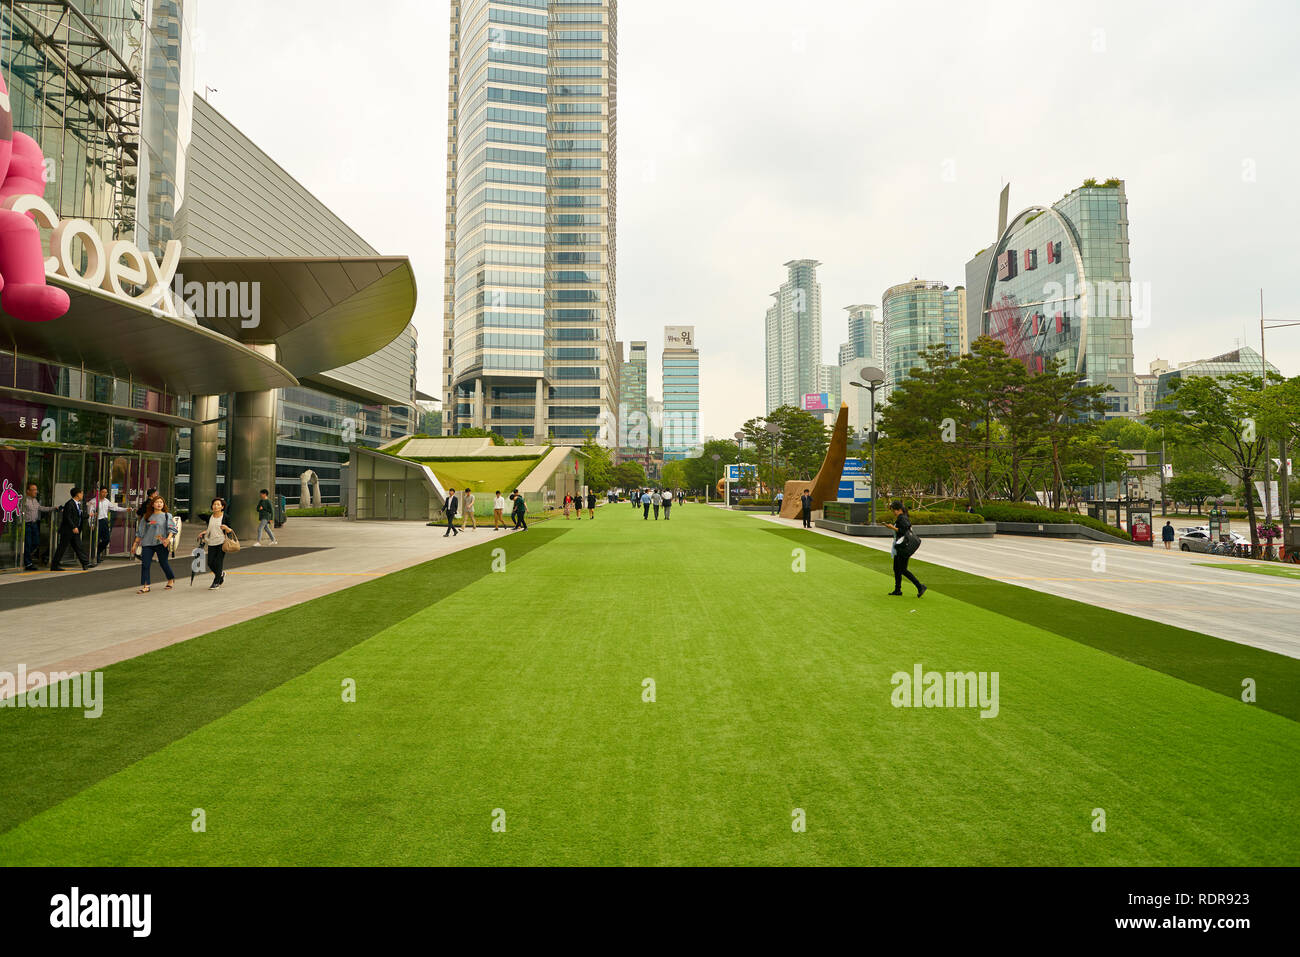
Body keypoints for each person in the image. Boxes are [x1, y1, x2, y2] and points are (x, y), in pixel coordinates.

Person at [132, 494, 177, 592]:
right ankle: (146, 586)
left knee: (163, 562)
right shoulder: (147, 517)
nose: (159, 504)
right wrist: (135, 544)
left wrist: (168, 539)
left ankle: (170, 579)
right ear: (152, 504)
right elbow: (141, 531)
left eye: (161, 502)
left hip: (161, 543)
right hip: (147, 544)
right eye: (157, 502)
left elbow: (172, 529)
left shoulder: (166, 515)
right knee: (145, 564)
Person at [884, 500, 927, 598]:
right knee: (896, 568)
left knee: (902, 569)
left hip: (903, 546)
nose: (893, 513)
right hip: (900, 546)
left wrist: (892, 527)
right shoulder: (902, 517)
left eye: (894, 510)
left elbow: (903, 530)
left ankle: (920, 586)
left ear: (899, 510)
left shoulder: (902, 518)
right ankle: (897, 589)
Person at [50, 487, 94, 571]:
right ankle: (54, 566)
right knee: (62, 548)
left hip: (74, 530)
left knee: (78, 546)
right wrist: (73, 527)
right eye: (81, 493)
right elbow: (67, 517)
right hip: (68, 530)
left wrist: (89, 515)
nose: (82, 495)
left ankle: (85, 563)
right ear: (77, 494)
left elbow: (78, 516)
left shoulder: (77, 504)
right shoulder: (69, 504)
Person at [199, 497, 235, 589]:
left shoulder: (225, 517)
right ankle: (221, 574)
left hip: (221, 542)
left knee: (218, 562)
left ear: (222, 507)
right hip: (211, 542)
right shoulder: (210, 517)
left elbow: (230, 530)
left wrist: (226, 528)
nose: (215, 506)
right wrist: (204, 532)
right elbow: (210, 529)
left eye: (218, 505)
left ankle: (216, 582)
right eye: (214, 504)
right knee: (210, 562)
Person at [20, 482, 56, 571]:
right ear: (28, 491)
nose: (36, 492)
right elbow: (20, 513)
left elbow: (41, 508)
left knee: (36, 542)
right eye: (34, 490)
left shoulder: (35, 500)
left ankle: (25, 556)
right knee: (27, 544)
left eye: (36, 490)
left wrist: (54, 508)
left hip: (34, 524)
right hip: (27, 524)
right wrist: (20, 524)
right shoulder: (24, 500)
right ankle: (28, 563)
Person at [89, 486, 128, 561]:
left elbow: (115, 508)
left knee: (106, 539)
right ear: (99, 492)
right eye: (103, 492)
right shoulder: (93, 501)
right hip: (97, 522)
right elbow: (90, 514)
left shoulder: (106, 501)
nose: (105, 494)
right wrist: (91, 524)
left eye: (106, 492)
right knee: (95, 540)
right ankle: (94, 556)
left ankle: (98, 552)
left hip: (104, 521)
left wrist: (126, 509)